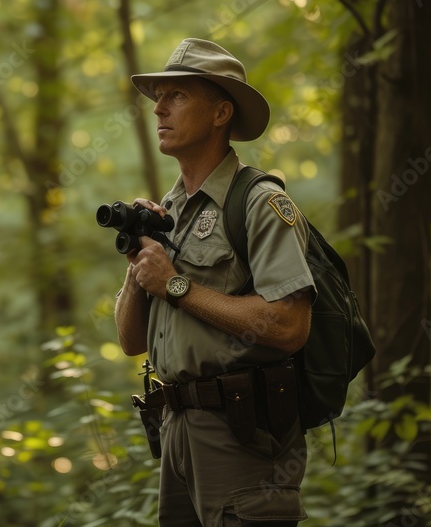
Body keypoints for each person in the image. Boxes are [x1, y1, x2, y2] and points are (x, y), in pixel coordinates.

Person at [114, 38, 316, 526]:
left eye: (178, 95)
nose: (159, 107)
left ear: (222, 112)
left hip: (241, 432)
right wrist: (140, 259)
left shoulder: (260, 204)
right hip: (177, 428)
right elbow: (130, 340)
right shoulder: (171, 210)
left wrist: (176, 285)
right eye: (159, 96)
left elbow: (290, 325)